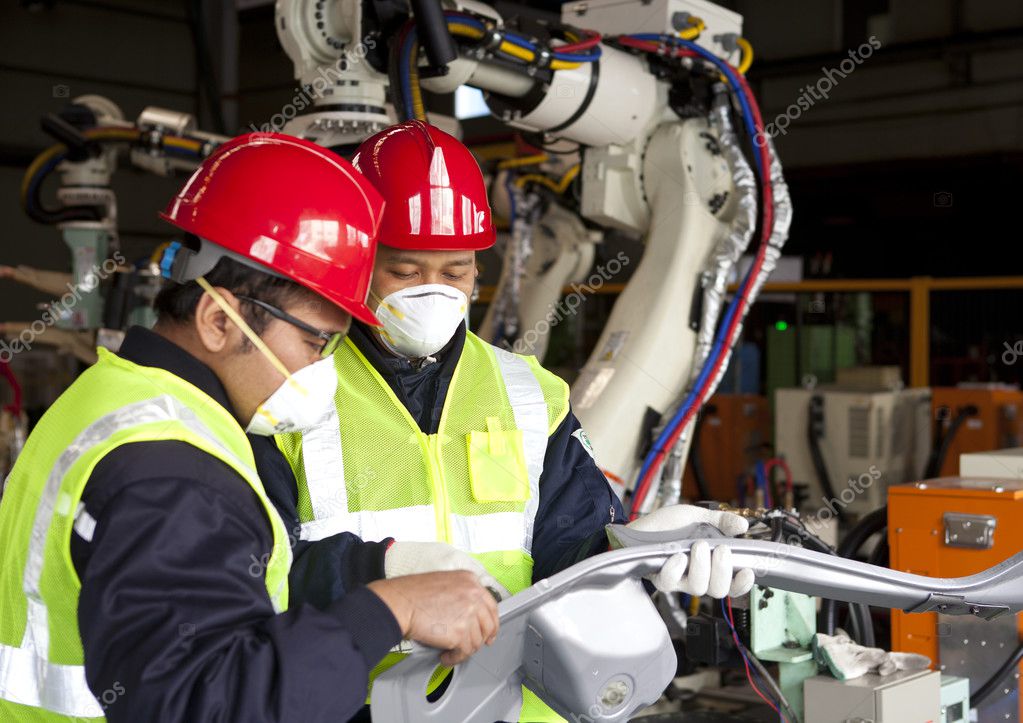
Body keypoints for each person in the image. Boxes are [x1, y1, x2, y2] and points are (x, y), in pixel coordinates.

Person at [254, 121, 753, 721]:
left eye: (456, 272)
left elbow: (571, 555)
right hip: (357, 707)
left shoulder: (529, 393)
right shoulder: (290, 387)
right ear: (361, 262)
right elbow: (255, 578)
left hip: (514, 706)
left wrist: (638, 549)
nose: (433, 293)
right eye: (406, 272)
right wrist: (383, 572)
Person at [0, 133, 499, 723]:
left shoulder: (113, 397)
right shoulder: (174, 470)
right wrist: (388, 610)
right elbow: (204, 703)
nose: (322, 368)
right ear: (217, 320)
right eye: (316, 341)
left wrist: (374, 568)